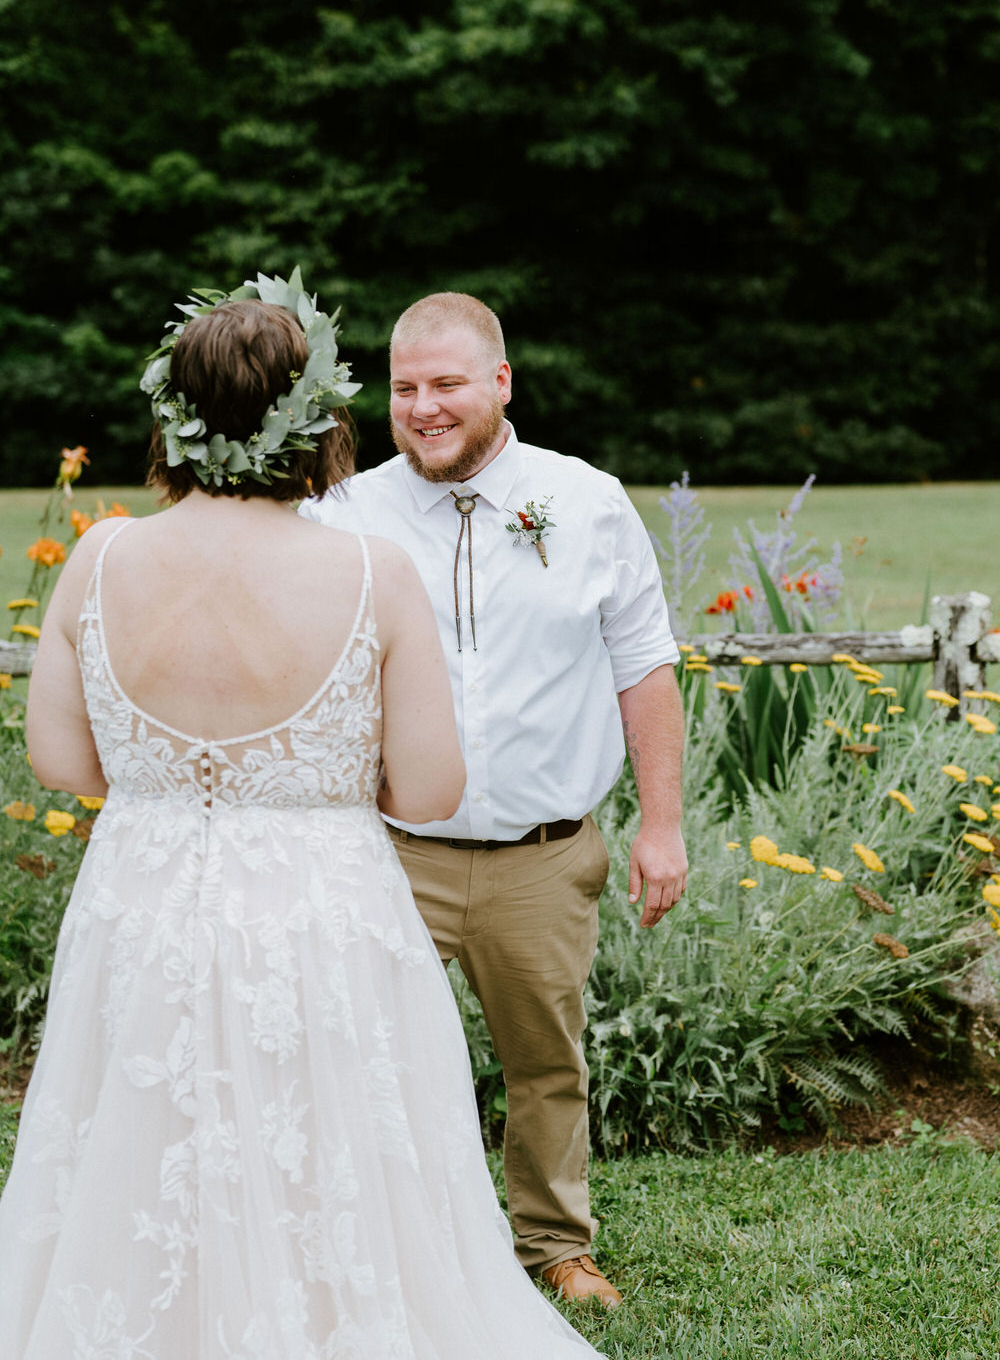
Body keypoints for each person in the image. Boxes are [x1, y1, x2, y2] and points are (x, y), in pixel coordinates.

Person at [0, 279, 605, 1358]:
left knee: (150, 1133)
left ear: (173, 412)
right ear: (319, 419)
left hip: (144, 899)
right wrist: (312, 784)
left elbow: (57, 761)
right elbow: (428, 792)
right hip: (319, 902)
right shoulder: (373, 570)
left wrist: (173, 781)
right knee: (320, 1138)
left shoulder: (99, 558)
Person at [302, 291, 687, 1309]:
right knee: (361, 1059)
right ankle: (371, 1248)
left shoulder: (588, 500)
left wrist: (662, 827)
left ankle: (553, 1247)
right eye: (404, 388)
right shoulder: (346, 510)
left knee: (544, 1065)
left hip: (543, 853)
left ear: (501, 384)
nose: (424, 407)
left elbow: (644, 668)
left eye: (447, 385)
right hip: (386, 851)